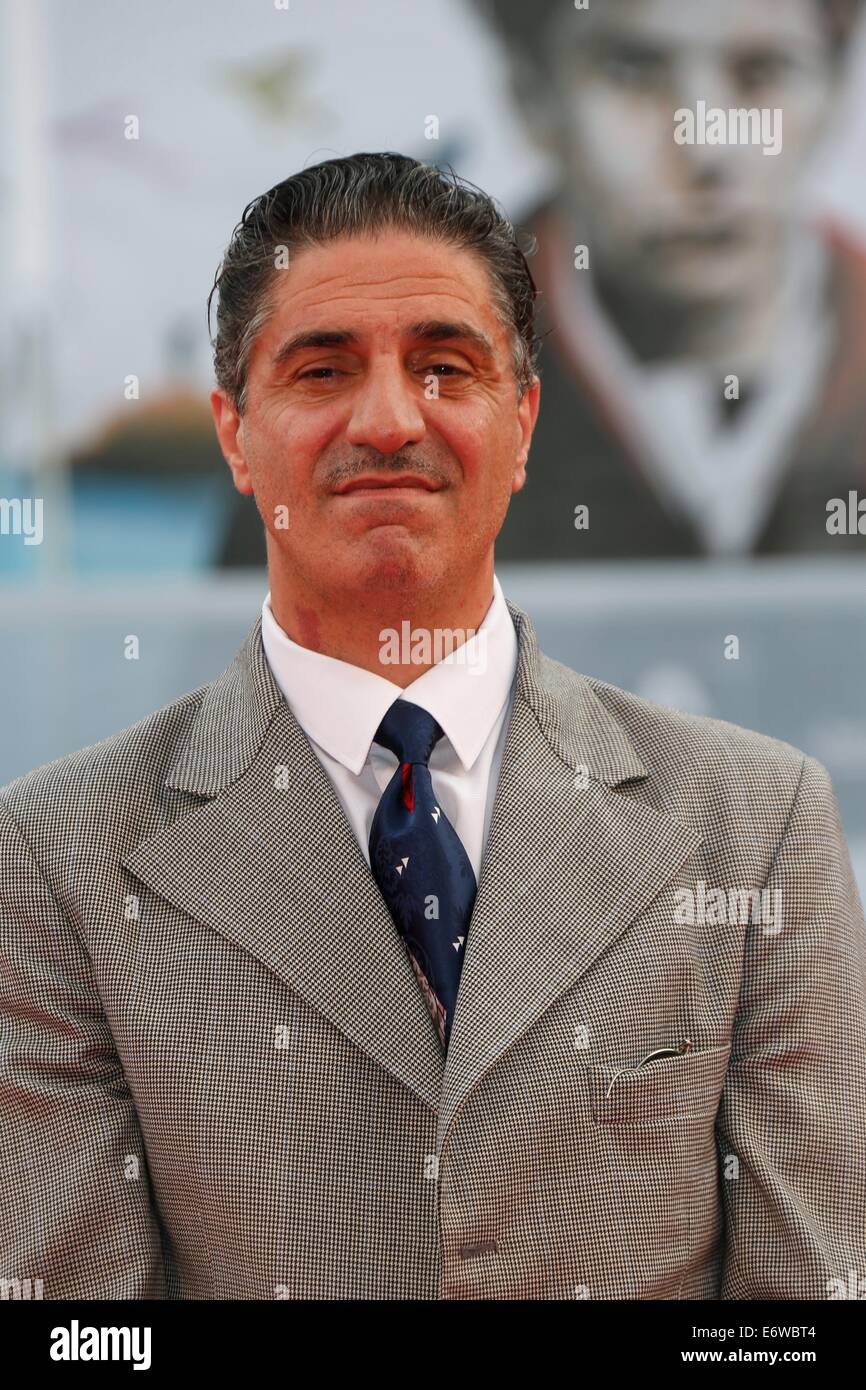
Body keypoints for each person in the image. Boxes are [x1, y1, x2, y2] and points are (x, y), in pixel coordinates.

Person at [1, 153, 863, 1300]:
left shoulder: (755, 822)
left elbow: (801, 1314)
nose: (389, 418)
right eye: (322, 369)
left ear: (520, 424)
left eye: (444, 367)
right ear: (233, 433)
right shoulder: (55, 855)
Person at [474, 0, 866, 559]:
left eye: (763, 71)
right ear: (531, 92)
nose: (705, 149)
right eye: (634, 72)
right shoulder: (428, 380)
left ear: (837, 93)